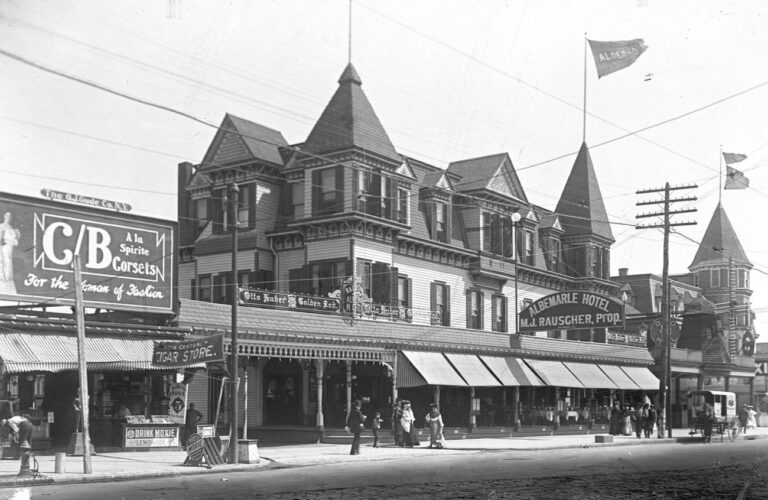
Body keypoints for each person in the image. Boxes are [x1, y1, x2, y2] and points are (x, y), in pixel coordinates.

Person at [0, 211, 20, 295]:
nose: (8, 217)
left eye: (10, 216)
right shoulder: (1, 226)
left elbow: (16, 241)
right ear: (4, 216)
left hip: (9, 248)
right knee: (2, 262)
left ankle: (7, 280)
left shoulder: (12, 229)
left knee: (8, 262)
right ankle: (2, 278)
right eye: (7, 215)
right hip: (3, 247)